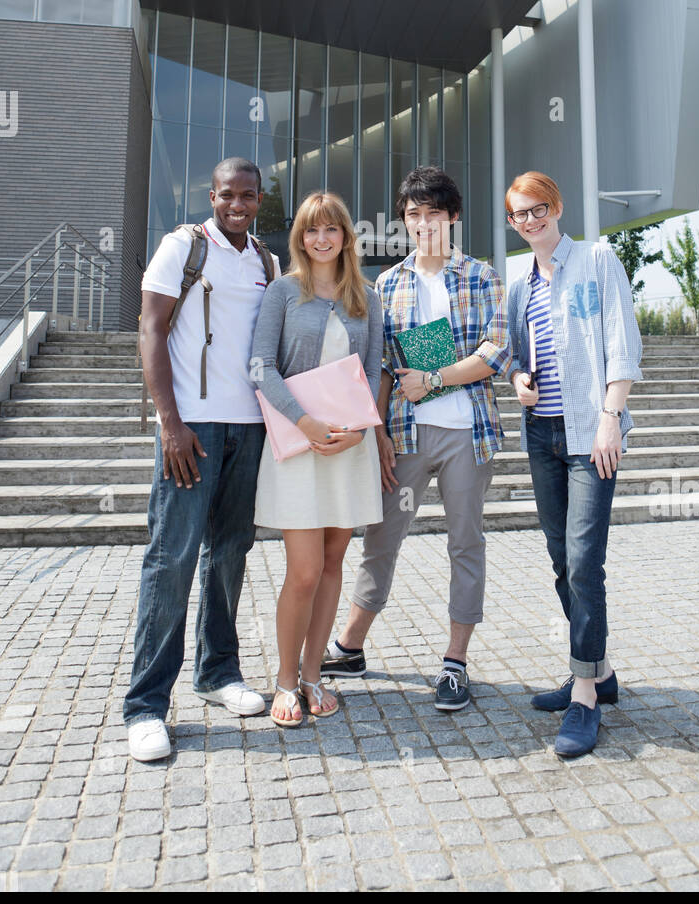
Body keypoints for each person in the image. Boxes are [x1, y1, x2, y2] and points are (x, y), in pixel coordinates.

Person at [321, 166, 511, 711]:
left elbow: (495, 352)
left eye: (434, 214)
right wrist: (377, 429)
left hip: (466, 434)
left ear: (453, 217)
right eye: (413, 215)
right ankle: (351, 645)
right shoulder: (389, 283)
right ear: (403, 220)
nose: (423, 224)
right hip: (405, 432)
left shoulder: (482, 276)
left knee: (465, 543)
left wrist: (434, 378)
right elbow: (381, 364)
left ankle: (455, 662)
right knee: (380, 537)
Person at [124, 158, 279, 762]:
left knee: (231, 553)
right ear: (210, 195)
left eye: (247, 196)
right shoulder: (181, 248)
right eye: (226, 195)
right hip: (192, 429)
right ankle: (145, 706)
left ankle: (217, 673)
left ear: (260, 199)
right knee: (171, 558)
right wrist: (170, 423)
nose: (236, 204)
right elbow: (151, 330)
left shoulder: (266, 261)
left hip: (250, 428)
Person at [505, 171, 643, 758]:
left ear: (556, 208)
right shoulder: (520, 280)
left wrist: (612, 416)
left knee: (586, 559)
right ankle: (600, 670)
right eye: (519, 215)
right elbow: (512, 350)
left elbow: (623, 339)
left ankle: (584, 695)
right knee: (562, 558)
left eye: (538, 210)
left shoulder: (597, 258)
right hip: (542, 435)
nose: (530, 221)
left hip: (592, 434)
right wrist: (517, 379)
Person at [250, 191, 384, 727]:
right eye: (311, 230)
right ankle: (284, 680)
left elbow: (373, 371)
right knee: (303, 571)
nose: (321, 239)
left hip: (350, 446)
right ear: (300, 238)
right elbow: (260, 366)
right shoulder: (283, 292)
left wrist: (359, 429)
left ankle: (313, 676)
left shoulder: (366, 298)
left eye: (331, 229)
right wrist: (304, 422)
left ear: (346, 236)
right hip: (297, 442)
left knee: (333, 566)